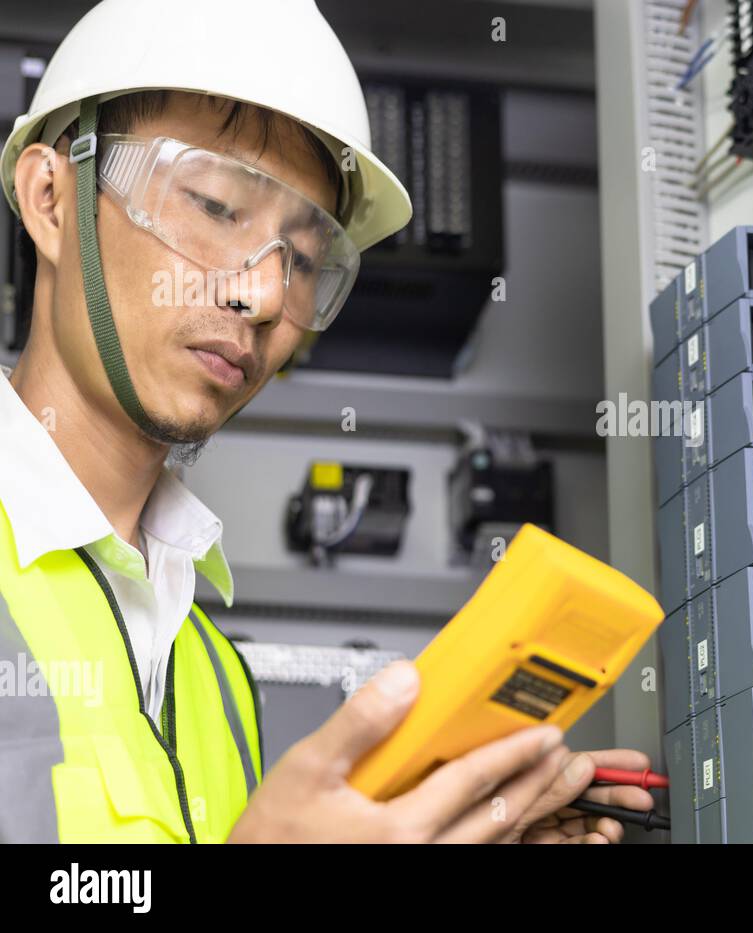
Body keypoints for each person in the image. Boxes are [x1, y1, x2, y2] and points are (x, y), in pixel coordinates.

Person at [0, 0, 653, 843]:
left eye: (304, 260)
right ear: (51, 198)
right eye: (215, 206)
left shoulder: (216, 681)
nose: (264, 295)